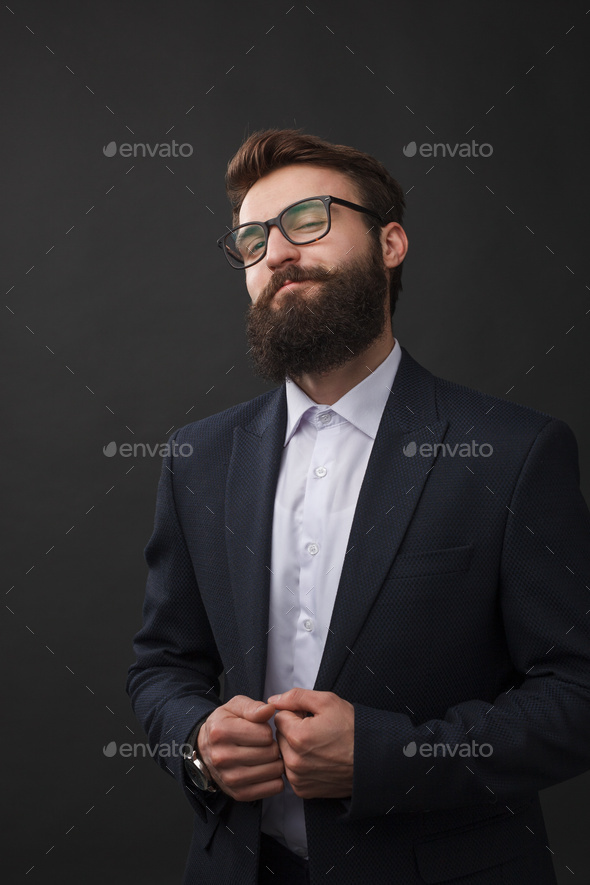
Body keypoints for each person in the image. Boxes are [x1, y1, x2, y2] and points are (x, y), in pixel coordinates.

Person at [126, 128, 590, 885]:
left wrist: (390, 756)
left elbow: (576, 693)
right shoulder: (197, 458)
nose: (275, 251)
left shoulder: (513, 452)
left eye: (307, 219)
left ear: (391, 243)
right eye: (251, 239)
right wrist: (195, 739)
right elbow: (162, 663)